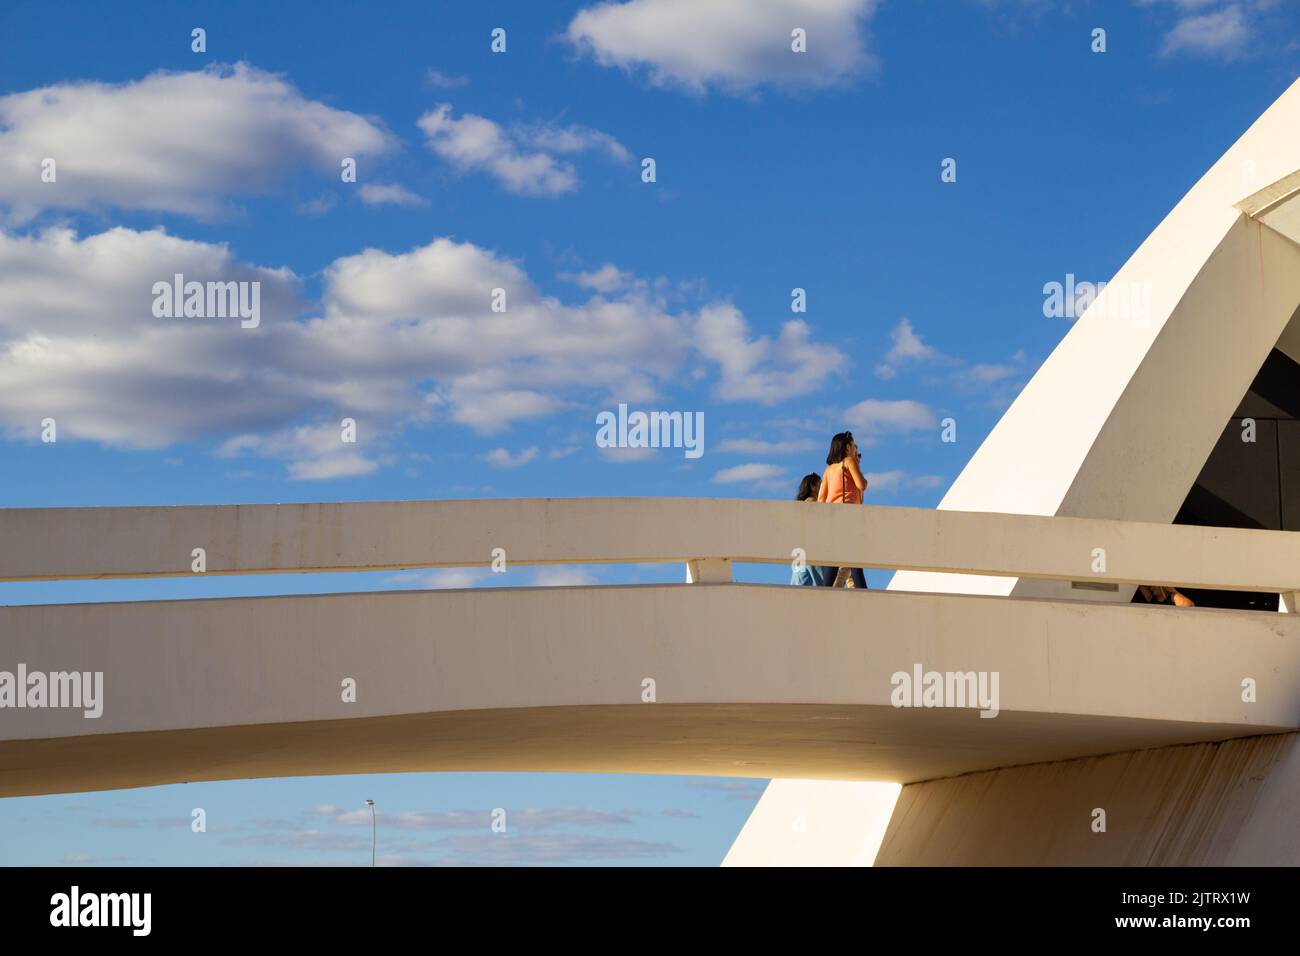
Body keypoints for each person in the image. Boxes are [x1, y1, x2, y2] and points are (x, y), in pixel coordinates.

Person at [817, 431, 868, 589]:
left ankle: (824, 595)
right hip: (849, 516)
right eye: (853, 445)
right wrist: (858, 468)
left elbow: (821, 499)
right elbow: (862, 485)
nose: (855, 449)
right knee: (855, 560)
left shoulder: (828, 470)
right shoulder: (849, 462)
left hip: (833, 519)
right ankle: (863, 595)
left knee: (833, 562)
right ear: (847, 447)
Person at [791, 474, 832, 586]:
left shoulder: (799, 506)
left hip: (799, 550)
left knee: (799, 582)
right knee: (819, 584)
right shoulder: (814, 503)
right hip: (812, 549)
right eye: (821, 485)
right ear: (813, 487)